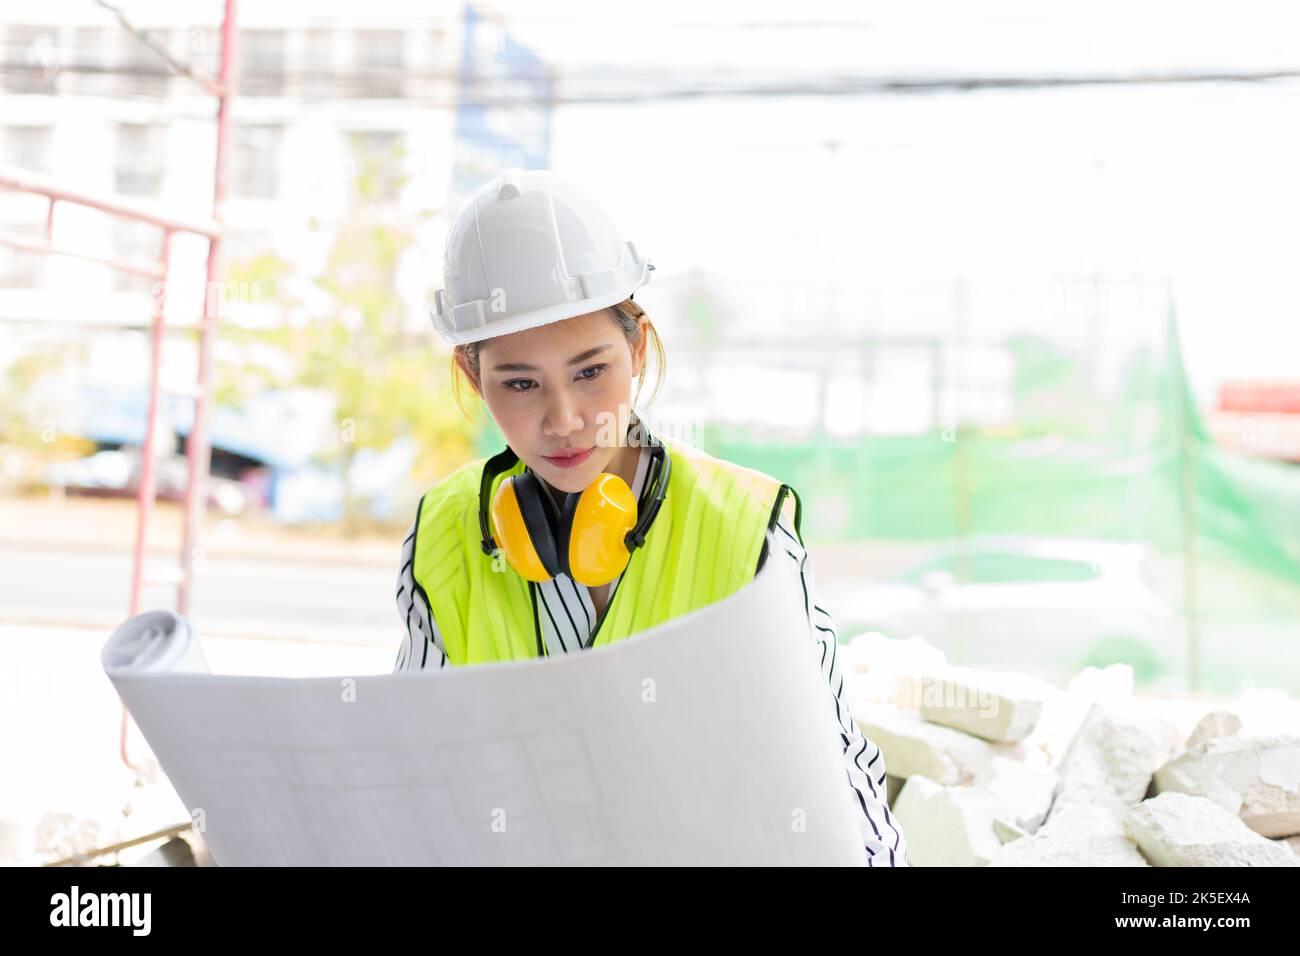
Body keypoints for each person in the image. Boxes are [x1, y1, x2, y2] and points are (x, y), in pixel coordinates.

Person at [393, 169, 906, 866]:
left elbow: (841, 786)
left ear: (635, 349)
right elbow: (417, 780)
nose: (564, 420)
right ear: (470, 377)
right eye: (519, 383)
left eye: (590, 370)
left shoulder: (743, 532)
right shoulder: (445, 538)